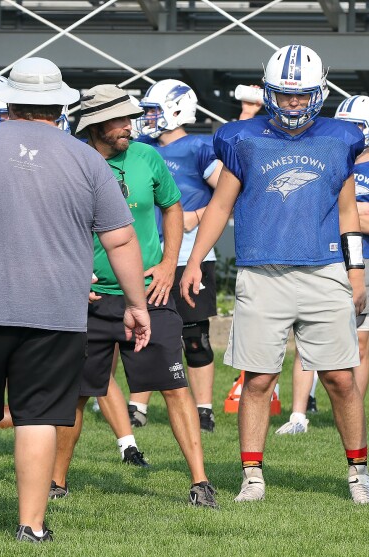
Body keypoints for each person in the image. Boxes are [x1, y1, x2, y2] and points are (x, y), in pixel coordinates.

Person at [0, 58, 151, 542]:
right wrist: (137, 304)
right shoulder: (87, 159)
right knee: (39, 417)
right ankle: (31, 526)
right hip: (55, 312)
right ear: (60, 105)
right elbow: (121, 239)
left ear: (10, 101)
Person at [181, 44, 369, 504]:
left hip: (324, 269)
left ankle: (359, 472)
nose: (292, 102)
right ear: (269, 91)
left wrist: (355, 272)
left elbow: (347, 212)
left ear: (318, 93)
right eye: (285, 94)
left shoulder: (340, 138)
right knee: (258, 379)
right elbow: (220, 206)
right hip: (262, 272)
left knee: (341, 379)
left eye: (301, 95)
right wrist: (193, 261)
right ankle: (252, 476)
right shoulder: (243, 138)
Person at [51, 84, 218, 509]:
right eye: (120, 120)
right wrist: (70, 273)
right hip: (88, 301)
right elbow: (49, 220)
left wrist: (168, 264)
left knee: (175, 388)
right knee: (75, 393)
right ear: (94, 125)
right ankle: (56, 482)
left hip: (149, 296)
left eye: (130, 118)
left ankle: (200, 483)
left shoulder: (147, 156)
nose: (130, 125)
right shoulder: (70, 160)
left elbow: (173, 206)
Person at [278, 95, 369, 435]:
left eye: (357, 125)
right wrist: (354, 210)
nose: (349, 132)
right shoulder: (324, 158)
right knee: (308, 335)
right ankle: (298, 416)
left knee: (359, 342)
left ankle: (354, 413)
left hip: (364, 260)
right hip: (322, 255)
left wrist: (337, 211)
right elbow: (305, 211)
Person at [120, 79, 222, 433]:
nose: (147, 118)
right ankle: (138, 406)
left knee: (195, 336)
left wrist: (197, 215)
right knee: (147, 331)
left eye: (153, 111)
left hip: (191, 256)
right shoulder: (141, 149)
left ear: (177, 110)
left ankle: (204, 409)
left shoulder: (198, 148)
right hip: (150, 255)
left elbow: (229, 193)